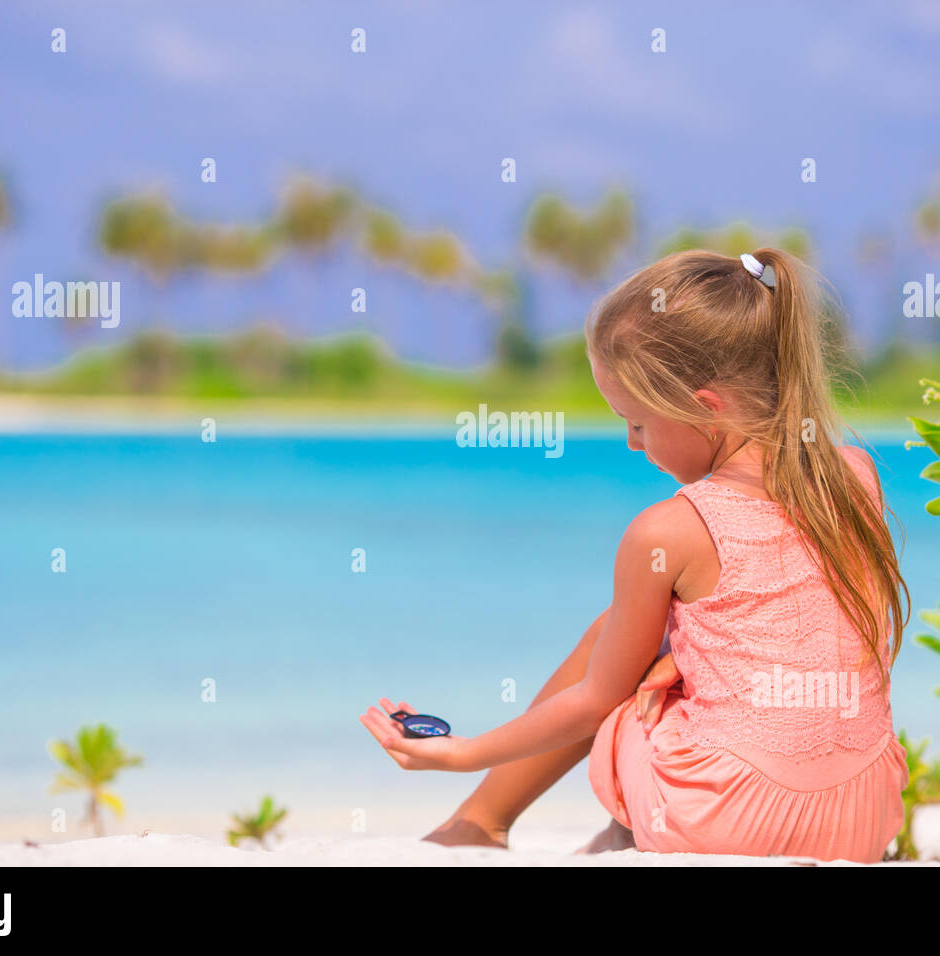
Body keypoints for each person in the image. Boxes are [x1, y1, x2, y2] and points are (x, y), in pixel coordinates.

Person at [360, 248, 911, 862]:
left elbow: (595, 700)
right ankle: (611, 832)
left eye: (638, 423)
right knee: (669, 647)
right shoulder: (855, 474)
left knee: (617, 654)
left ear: (705, 408)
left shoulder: (667, 530)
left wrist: (462, 753)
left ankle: (483, 820)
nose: (631, 443)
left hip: (726, 820)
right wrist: (682, 651)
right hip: (864, 820)